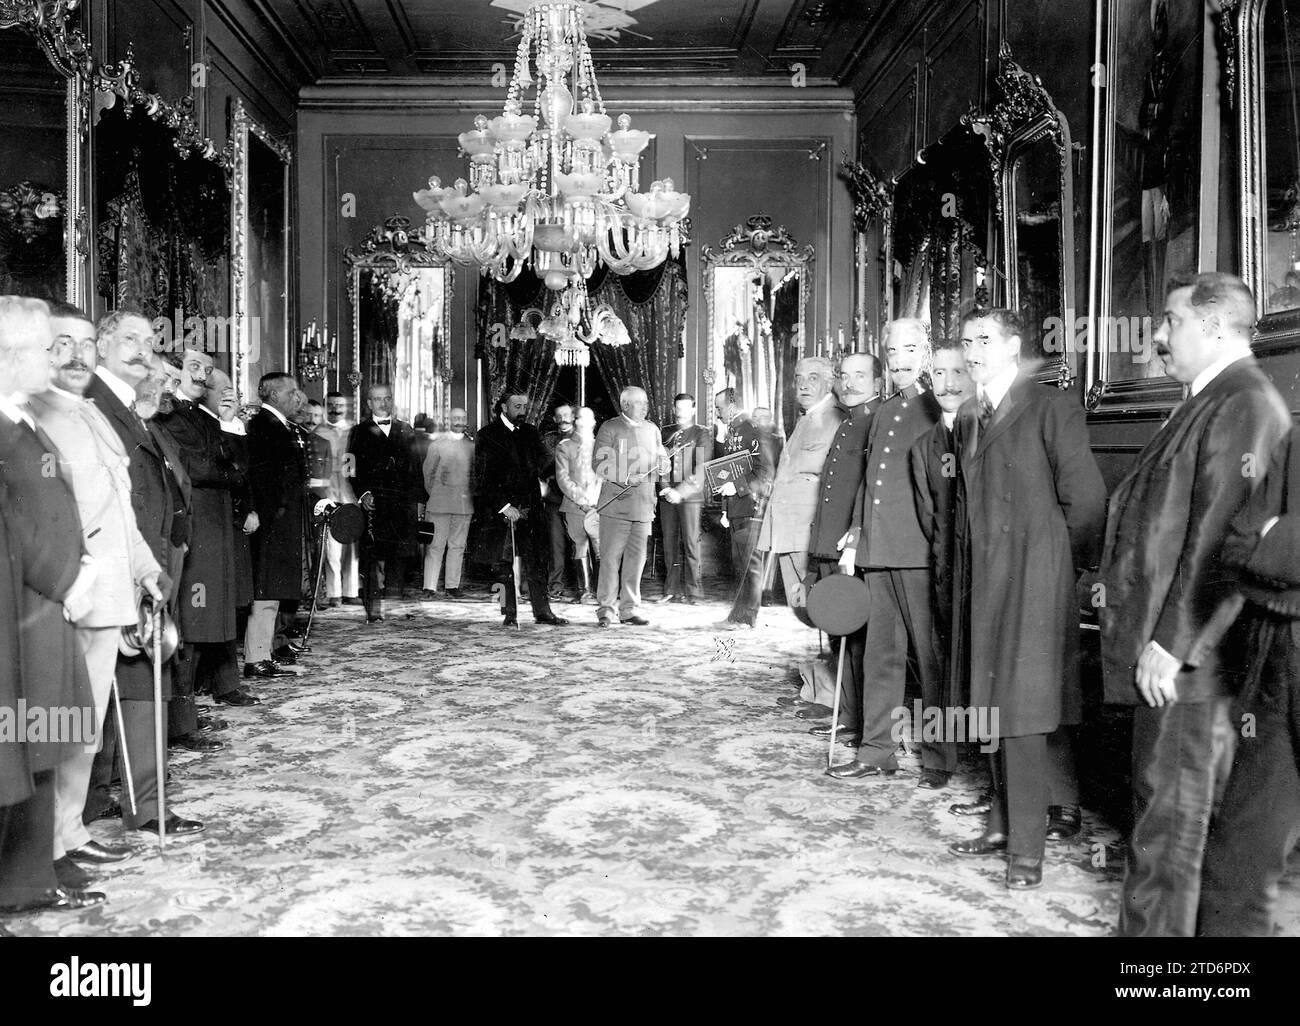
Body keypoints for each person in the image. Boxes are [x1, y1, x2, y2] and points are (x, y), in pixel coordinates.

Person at [1099, 272, 1291, 933]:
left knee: (1171, 829)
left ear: (1213, 327)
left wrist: (1173, 644)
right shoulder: (1213, 398)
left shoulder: (1244, 403)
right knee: (1161, 818)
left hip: (1193, 660)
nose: (1155, 336)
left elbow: (1219, 539)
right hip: (1178, 649)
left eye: (1170, 321)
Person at [943, 308, 1107, 890]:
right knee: (988, 700)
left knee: (1026, 710)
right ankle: (1000, 823)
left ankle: (1027, 852)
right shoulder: (967, 415)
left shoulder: (1049, 405)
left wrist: (1059, 567)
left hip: (1035, 580)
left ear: (1014, 346)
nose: (973, 351)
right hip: (982, 581)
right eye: (966, 341)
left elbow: (1085, 500)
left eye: (985, 340)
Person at [29, 309, 172, 849]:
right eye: (63, 343)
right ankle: (48, 843)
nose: (77, 355)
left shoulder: (89, 415)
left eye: (86, 345)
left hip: (109, 598)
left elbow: (120, 514)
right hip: (66, 597)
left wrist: (145, 568)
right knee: (55, 725)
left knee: (82, 729)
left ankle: (68, 833)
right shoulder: (32, 419)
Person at [0, 296, 105, 913]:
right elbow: (23, 527)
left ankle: (37, 867)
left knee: (45, 743)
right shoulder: (7, 427)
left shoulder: (22, 420)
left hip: (50, 605)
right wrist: (72, 580)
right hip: (32, 608)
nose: (58, 356)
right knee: (26, 744)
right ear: (12, 356)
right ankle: (22, 876)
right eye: (48, 347)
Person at [830, 319, 953, 787]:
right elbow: (870, 482)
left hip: (920, 552)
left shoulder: (938, 405)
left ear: (924, 351)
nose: (897, 358)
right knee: (880, 655)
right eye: (890, 349)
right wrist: (857, 536)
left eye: (907, 348)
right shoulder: (883, 411)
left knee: (931, 658)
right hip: (878, 549)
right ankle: (877, 749)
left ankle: (941, 758)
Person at [1198, 425, 1300, 936]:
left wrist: (1277, 535)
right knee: (1238, 856)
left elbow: (1262, 540)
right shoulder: (1296, 438)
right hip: (1280, 650)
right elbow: (1238, 544)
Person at [155, 348, 255, 721]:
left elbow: (240, 465)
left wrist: (229, 423)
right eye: (194, 367)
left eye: (208, 370)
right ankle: (184, 716)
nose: (201, 375)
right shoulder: (168, 414)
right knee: (195, 616)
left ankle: (223, 687)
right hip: (196, 521)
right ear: (178, 372)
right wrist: (227, 468)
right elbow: (199, 467)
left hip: (217, 522)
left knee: (218, 607)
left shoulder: (207, 418)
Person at [908, 342, 976, 808]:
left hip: (994, 573)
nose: (948, 384)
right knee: (938, 665)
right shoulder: (923, 447)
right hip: (947, 573)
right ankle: (938, 757)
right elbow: (930, 517)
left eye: (958, 372)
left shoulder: (993, 429)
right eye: (938, 374)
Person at [804, 352, 881, 740]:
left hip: (851, 546)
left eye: (860, 376)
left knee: (858, 639)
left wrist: (856, 533)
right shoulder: (849, 423)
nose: (849, 384)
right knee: (840, 636)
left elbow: (871, 492)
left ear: (878, 384)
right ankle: (848, 715)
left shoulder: (876, 423)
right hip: (829, 544)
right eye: (844, 376)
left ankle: (859, 720)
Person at [749, 357, 842, 619]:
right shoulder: (807, 417)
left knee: (820, 604)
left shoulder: (836, 418)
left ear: (829, 382)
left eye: (813, 378)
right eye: (798, 378)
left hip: (810, 530)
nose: (803, 384)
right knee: (801, 604)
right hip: (787, 526)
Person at [472, 390, 569, 628]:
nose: (522, 411)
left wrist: (544, 479)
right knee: (503, 564)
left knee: (537, 560)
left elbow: (545, 461)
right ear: (503, 407)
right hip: (502, 511)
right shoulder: (487, 435)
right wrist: (504, 506)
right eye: (517, 406)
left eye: (525, 406)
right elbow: (483, 478)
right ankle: (509, 613)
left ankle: (543, 612)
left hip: (531, 506)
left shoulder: (530, 431)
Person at [244, 372, 307, 677]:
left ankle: (264, 651)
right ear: (271, 395)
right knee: (266, 589)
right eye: (291, 391)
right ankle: (256, 657)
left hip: (281, 522)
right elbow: (262, 481)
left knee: (274, 588)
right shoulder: (263, 427)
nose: (298, 397)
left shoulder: (279, 426)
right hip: (272, 524)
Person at [592, 386, 669, 628]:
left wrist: (664, 465)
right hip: (616, 506)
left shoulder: (652, 429)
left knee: (636, 562)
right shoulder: (610, 427)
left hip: (644, 507)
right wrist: (625, 477)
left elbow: (661, 457)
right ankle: (606, 610)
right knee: (610, 561)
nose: (645, 407)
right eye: (640, 403)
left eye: (646, 402)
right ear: (625, 405)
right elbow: (599, 464)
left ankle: (629, 610)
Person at [348, 383, 425, 620]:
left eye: (387, 398)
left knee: (400, 556)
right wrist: (363, 494)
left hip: (402, 504)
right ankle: (372, 609)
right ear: (369, 403)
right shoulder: (359, 431)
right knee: (371, 556)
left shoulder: (406, 429)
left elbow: (417, 468)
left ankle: (394, 604)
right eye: (378, 399)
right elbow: (349, 469)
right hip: (374, 504)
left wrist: (420, 500)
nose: (383, 403)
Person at [713, 388, 776, 629]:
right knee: (740, 566)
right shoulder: (733, 431)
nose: (717, 414)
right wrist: (725, 509)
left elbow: (765, 473)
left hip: (751, 508)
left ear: (731, 406)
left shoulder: (752, 431)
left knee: (750, 567)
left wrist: (736, 488)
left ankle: (748, 616)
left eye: (719, 408)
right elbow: (730, 469)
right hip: (736, 508)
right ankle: (738, 615)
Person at [656, 393, 713, 605]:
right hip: (666, 496)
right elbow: (659, 463)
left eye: (685, 408)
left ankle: (694, 592)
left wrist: (680, 492)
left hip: (689, 496)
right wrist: (665, 488)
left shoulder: (701, 433)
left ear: (693, 410)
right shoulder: (665, 432)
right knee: (669, 544)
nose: (680, 412)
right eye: (678, 408)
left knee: (691, 544)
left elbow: (702, 466)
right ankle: (671, 589)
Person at [422, 406, 474, 599]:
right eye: (455, 418)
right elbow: (428, 473)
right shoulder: (438, 444)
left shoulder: (472, 445)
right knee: (435, 545)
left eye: (462, 418)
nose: (459, 421)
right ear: (448, 420)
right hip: (439, 502)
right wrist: (437, 493)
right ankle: (430, 586)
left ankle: (452, 586)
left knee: (458, 546)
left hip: (463, 504)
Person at [555, 406, 602, 605]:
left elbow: (605, 478)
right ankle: (585, 592)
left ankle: (603, 592)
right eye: (581, 419)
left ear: (594, 423)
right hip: (574, 507)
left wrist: (596, 502)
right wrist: (583, 501)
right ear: (575, 421)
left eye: (589, 420)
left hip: (599, 507)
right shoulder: (565, 447)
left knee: (601, 549)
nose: (585, 423)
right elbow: (563, 479)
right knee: (579, 548)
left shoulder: (603, 447)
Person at [317, 391, 359, 606]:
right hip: (329, 493)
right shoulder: (319, 431)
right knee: (332, 546)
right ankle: (334, 593)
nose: (336, 409)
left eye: (340, 405)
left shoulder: (354, 431)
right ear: (326, 406)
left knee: (351, 546)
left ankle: (351, 592)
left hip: (349, 492)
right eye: (332, 405)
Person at [541, 405, 576, 601]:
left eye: (566, 415)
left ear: (573, 417)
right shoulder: (548, 440)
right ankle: (555, 586)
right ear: (554, 419)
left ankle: (582, 588)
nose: (563, 418)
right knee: (556, 545)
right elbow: (541, 467)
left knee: (579, 544)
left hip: (577, 499)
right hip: (555, 499)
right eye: (559, 416)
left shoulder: (582, 438)